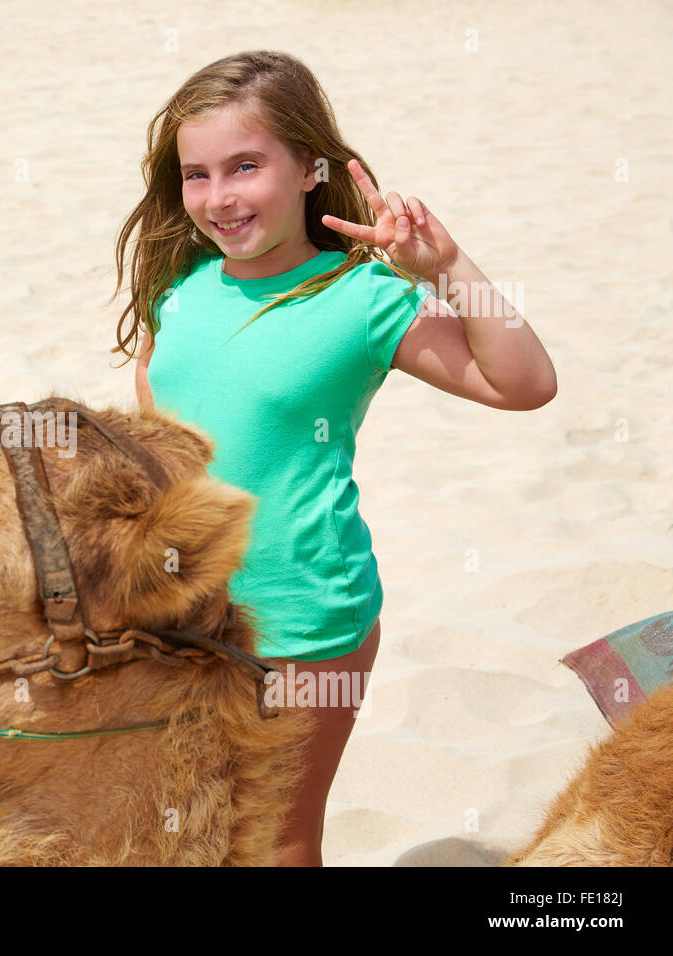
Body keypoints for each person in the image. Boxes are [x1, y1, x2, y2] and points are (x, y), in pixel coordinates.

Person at [109, 50, 556, 866]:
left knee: (274, 840)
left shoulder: (363, 296)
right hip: (182, 611)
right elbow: (158, 422)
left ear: (312, 166)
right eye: (198, 174)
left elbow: (525, 383)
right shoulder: (182, 290)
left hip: (303, 617)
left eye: (246, 166)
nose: (219, 197)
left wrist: (451, 271)